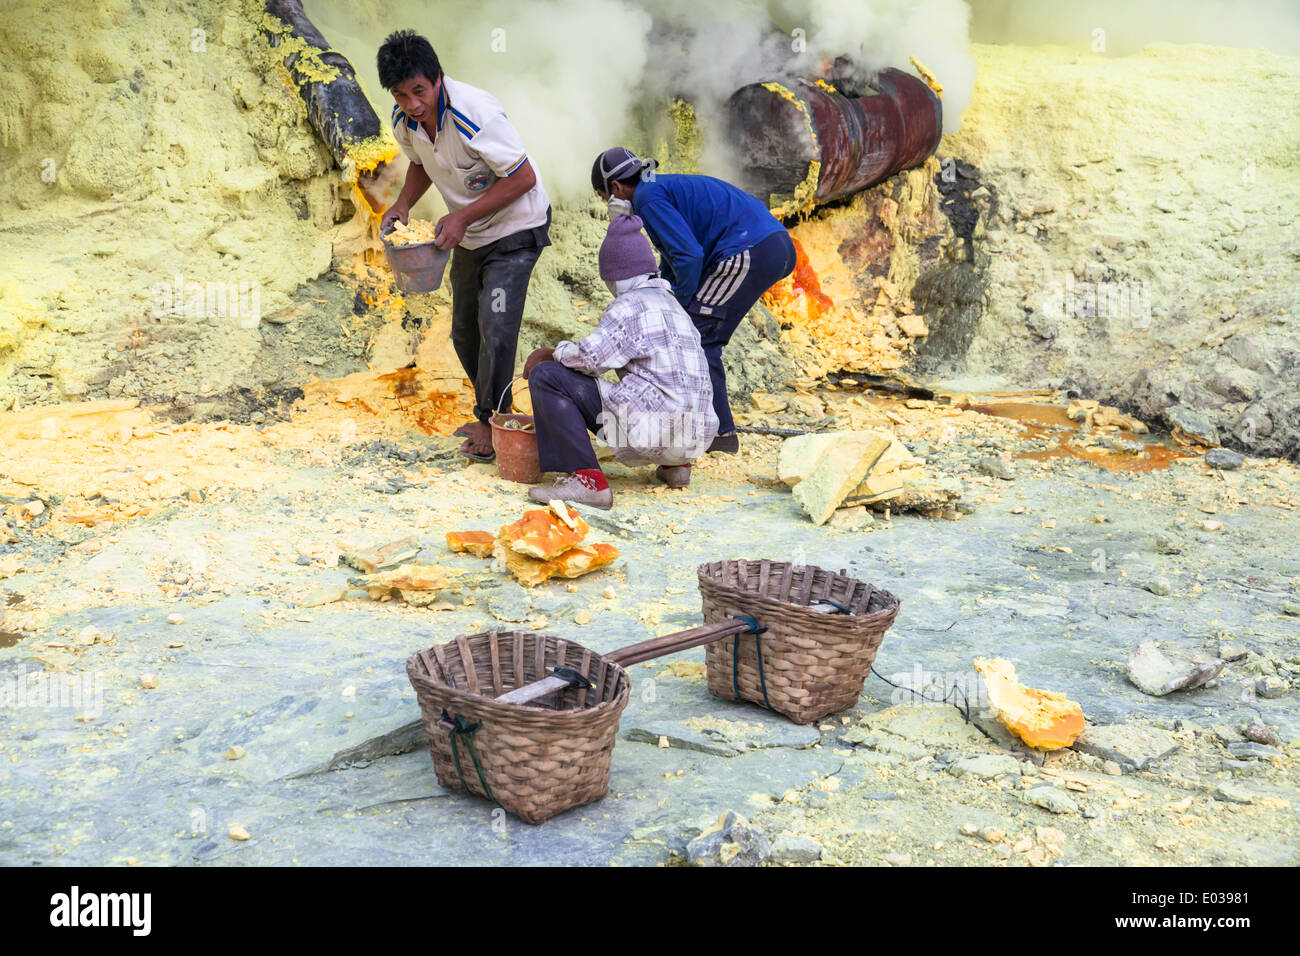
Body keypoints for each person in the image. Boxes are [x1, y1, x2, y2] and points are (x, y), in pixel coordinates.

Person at [378, 30, 551, 461]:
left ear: (437, 78)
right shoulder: (406, 121)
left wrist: (461, 217)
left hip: (517, 229)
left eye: (419, 91)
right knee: (464, 331)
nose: (413, 104)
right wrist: (401, 204)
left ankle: (491, 420)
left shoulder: (476, 112)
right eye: (401, 95)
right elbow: (421, 162)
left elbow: (524, 177)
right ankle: (494, 413)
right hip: (471, 234)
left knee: (496, 324)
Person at [591, 147, 795, 455]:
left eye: (603, 197)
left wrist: (678, 305)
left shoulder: (647, 198)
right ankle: (712, 428)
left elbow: (689, 256)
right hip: (766, 244)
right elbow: (675, 257)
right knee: (697, 328)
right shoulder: (655, 187)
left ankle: (720, 435)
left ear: (616, 189)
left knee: (698, 336)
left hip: (748, 249)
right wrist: (665, 291)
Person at [522, 214, 718, 511]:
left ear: (615, 275)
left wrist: (551, 352)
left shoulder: (628, 305)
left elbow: (588, 359)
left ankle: (588, 483)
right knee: (666, 389)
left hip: (656, 432)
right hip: (695, 436)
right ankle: (677, 466)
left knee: (547, 376)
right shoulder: (675, 307)